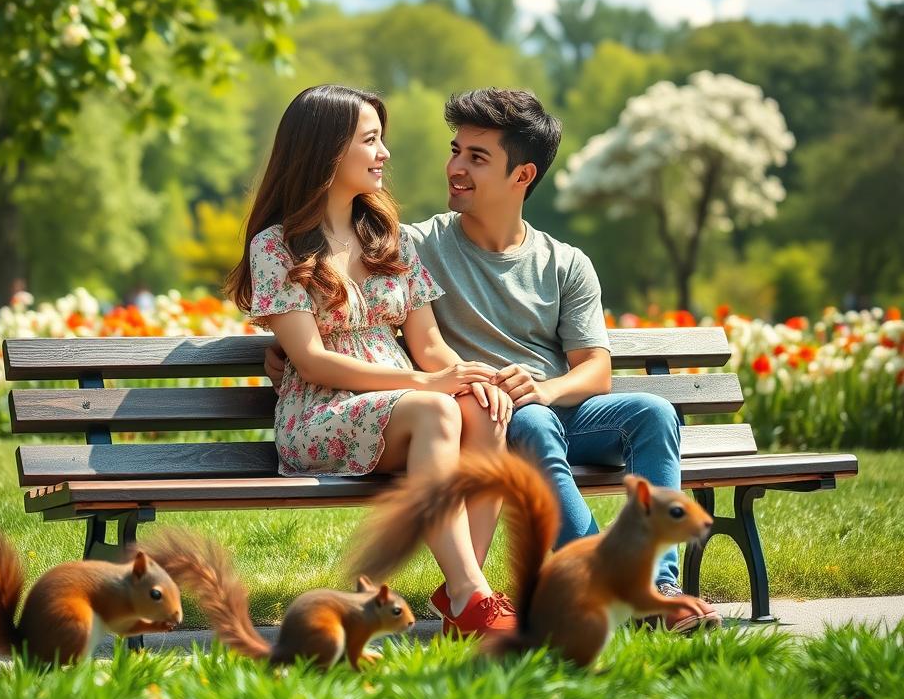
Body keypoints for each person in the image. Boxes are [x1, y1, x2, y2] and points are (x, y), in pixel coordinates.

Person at [267, 87, 721, 634]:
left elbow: (596, 369)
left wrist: (542, 389)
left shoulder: (565, 263)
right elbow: (330, 303)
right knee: (522, 419)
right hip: (482, 411)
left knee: (652, 413)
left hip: (543, 405)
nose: (455, 168)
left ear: (522, 175)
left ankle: (657, 584)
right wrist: (292, 353)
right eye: (455, 151)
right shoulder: (413, 241)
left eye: (476, 157)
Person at [227, 84, 518, 638]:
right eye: (370, 140)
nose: (384, 153)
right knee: (438, 410)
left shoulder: (390, 239)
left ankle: (466, 594)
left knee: (483, 410)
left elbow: (429, 345)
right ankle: (471, 596)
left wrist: (470, 378)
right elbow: (312, 361)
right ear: (327, 150)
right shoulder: (275, 246)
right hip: (320, 414)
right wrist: (428, 384)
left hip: (399, 406)